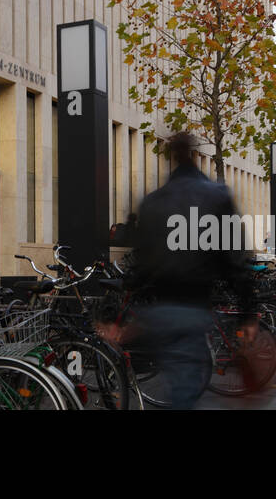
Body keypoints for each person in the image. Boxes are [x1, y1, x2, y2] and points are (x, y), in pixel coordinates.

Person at [109, 132, 259, 410]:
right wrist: (248, 312)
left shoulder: (152, 201)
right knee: (184, 390)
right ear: (194, 153)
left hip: (159, 309)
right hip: (194, 307)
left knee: (176, 381)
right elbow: (234, 260)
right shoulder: (216, 196)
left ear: (171, 157)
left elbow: (141, 262)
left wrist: (117, 310)